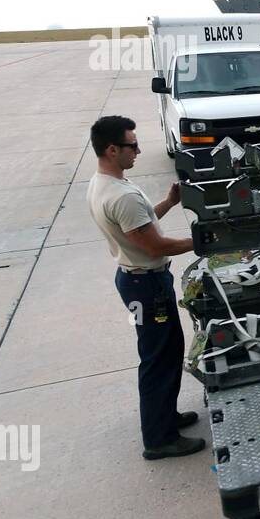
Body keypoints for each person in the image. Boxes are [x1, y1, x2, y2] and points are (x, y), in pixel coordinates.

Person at [86, 116, 203, 460]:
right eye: (132, 145)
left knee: (164, 353)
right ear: (112, 149)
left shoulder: (103, 184)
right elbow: (156, 246)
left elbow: (138, 225)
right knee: (159, 359)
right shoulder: (121, 196)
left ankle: (166, 417)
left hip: (136, 279)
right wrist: (202, 240)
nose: (138, 150)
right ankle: (159, 439)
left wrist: (168, 202)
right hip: (147, 284)